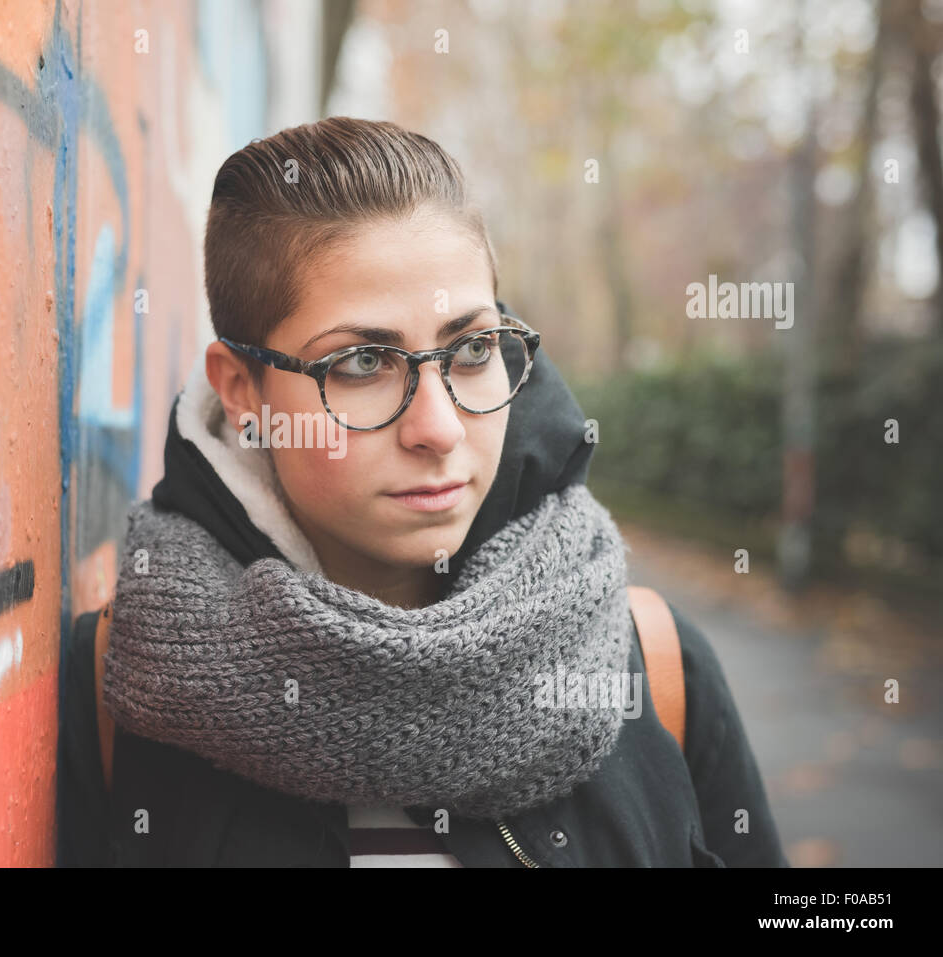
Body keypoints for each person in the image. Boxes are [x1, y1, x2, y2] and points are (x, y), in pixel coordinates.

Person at [56, 116, 788, 867]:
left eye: (472, 349)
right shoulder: (121, 686)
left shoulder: (647, 665)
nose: (437, 428)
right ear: (242, 390)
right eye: (364, 362)